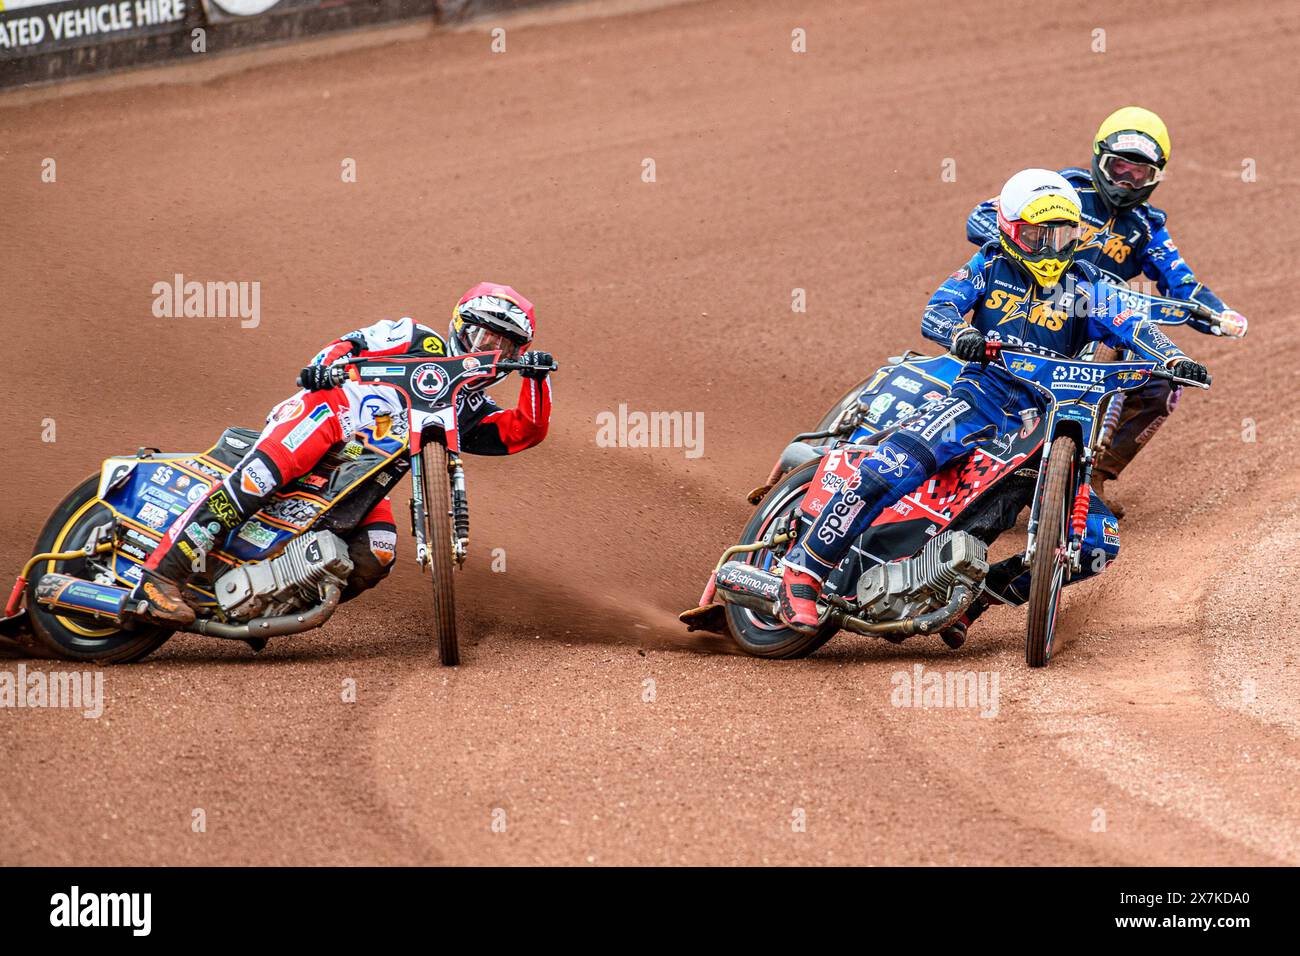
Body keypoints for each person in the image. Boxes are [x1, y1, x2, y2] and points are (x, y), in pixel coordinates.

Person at [777, 169, 1209, 635]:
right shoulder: (988, 265)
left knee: (1095, 545)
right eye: (1035, 235)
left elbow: (1137, 328)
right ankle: (804, 570)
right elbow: (938, 310)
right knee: (892, 465)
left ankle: (975, 599)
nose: (1050, 248)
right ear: (1008, 230)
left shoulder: (1088, 289)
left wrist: (1174, 358)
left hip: (1047, 421)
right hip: (981, 396)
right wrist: (960, 334)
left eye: (1062, 235)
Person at [126, 282, 555, 626]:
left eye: (505, 346)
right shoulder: (416, 338)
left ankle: (266, 599)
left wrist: (536, 378)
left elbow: (525, 430)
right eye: (482, 334)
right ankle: (160, 576)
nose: (488, 351)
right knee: (258, 480)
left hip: (360, 480)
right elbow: (351, 343)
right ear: (459, 325)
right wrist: (325, 364)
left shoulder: (469, 409)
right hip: (324, 419)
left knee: (379, 551)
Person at [965, 107, 1245, 514]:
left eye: (1140, 173)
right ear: (1098, 158)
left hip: (1097, 318)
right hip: (1026, 301)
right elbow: (981, 217)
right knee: (978, 356)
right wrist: (1025, 251)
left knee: (1161, 387)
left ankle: (1092, 473)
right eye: (1119, 168)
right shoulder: (1064, 191)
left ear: (1156, 177)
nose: (1127, 181)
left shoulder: (1147, 228)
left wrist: (1220, 315)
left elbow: (1183, 285)